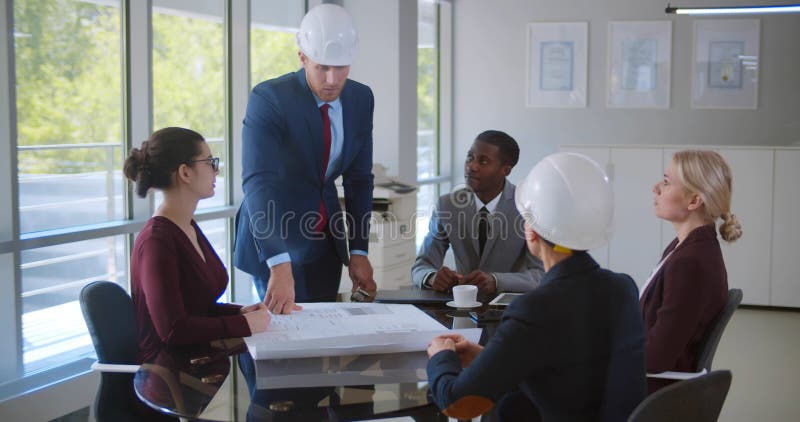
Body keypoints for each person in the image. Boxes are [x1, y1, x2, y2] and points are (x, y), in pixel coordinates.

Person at [426, 153, 646, 421]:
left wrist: (441, 356)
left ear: (530, 231)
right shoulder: (622, 288)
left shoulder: (534, 308)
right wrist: (487, 358)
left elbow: (459, 405)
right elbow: (570, 369)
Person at [234, 3, 376, 314]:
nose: (331, 79)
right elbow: (259, 184)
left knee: (323, 335)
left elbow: (359, 180)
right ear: (302, 57)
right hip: (274, 239)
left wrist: (360, 250)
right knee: (282, 340)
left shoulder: (360, 99)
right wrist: (278, 263)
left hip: (325, 241)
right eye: (322, 67)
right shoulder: (270, 99)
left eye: (340, 68)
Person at [124, 127, 270, 364]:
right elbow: (173, 329)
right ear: (185, 172)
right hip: (168, 374)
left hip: (200, 358)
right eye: (210, 162)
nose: (216, 170)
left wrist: (239, 313)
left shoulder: (186, 225)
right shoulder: (156, 241)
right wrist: (242, 324)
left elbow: (196, 307)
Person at [640, 150, 742, 393]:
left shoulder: (690, 264)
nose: (656, 188)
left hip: (652, 390)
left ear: (694, 201)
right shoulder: (686, 248)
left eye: (666, 182)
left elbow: (655, 358)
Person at [411, 130, 544, 295]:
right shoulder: (447, 205)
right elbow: (421, 266)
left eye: (483, 161)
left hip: (510, 308)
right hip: (459, 306)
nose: (472, 166)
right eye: (470, 157)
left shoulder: (527, 206)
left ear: (506, 170)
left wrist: (496, 281)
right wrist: (432, 277)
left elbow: (540, 275)